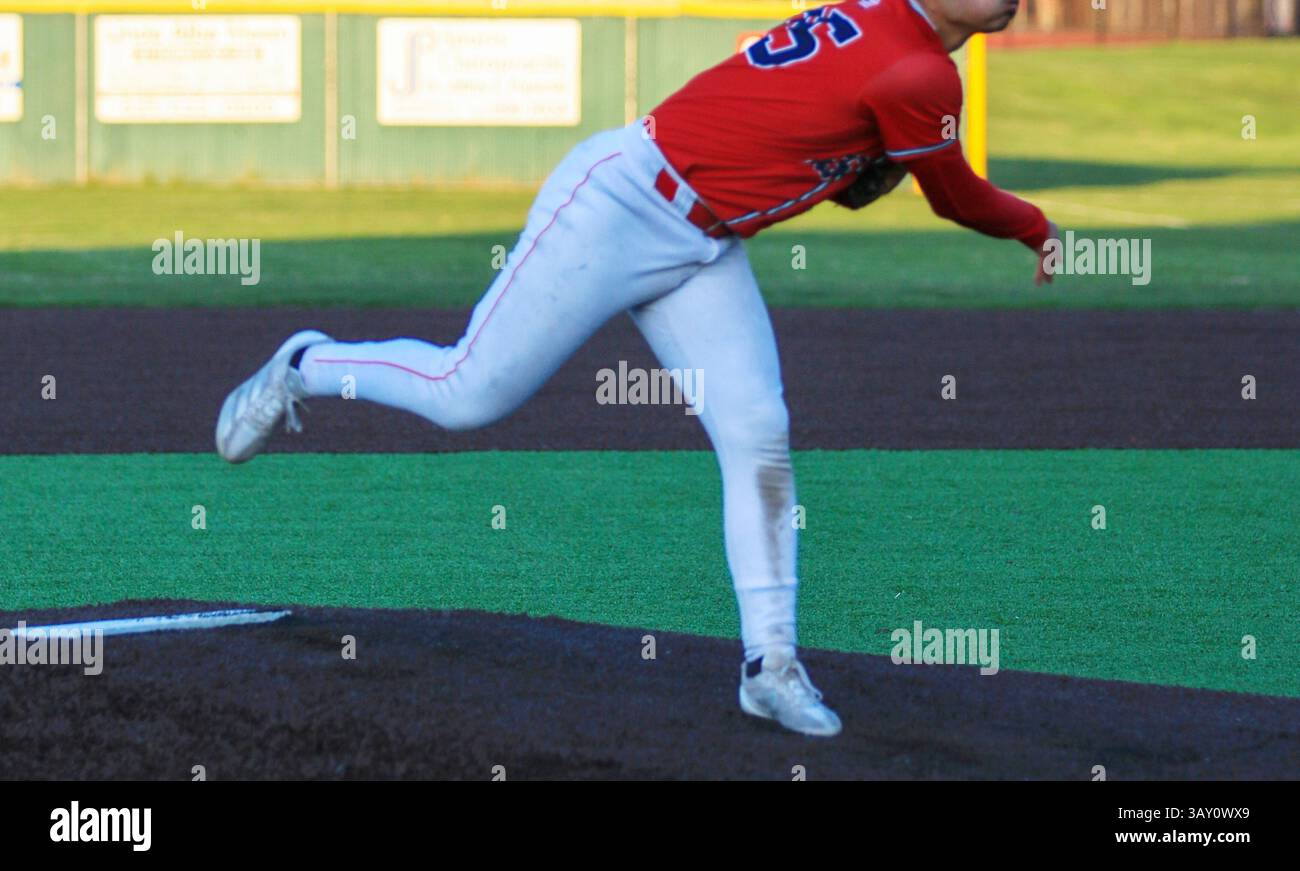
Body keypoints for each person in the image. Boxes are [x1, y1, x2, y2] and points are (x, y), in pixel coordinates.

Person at [216, 0, 1056, 738]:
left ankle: (771, 666)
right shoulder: (918, 70)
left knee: (759, 434)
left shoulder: (882, 25)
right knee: (466, 392)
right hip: (622, 204)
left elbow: (811, 136)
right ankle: (306, 363)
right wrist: (1035, 225)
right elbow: (954, 196)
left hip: (704, 244)